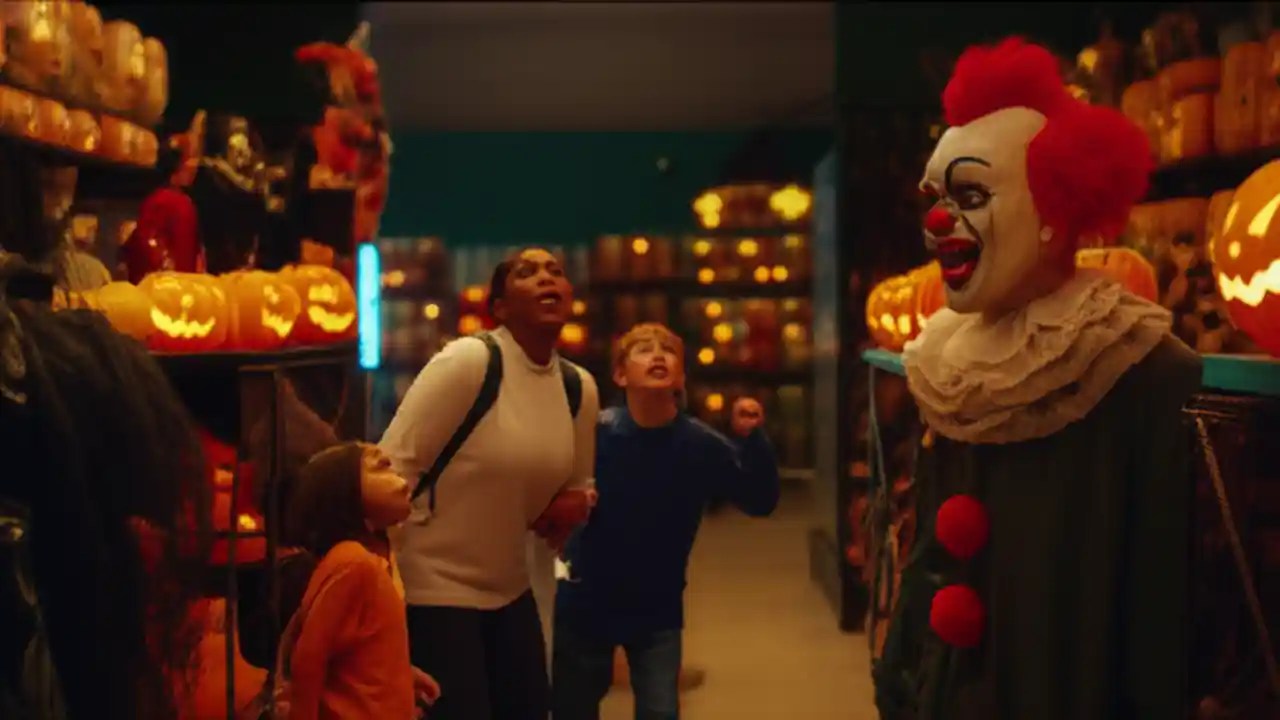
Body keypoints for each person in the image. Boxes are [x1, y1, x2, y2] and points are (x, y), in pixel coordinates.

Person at [872, 38, 1201, 720]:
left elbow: (1160, 604)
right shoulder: (949, 361)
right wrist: (906, 671)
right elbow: (932, 550)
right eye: (935, 197)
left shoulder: (1140, 368)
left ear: (1055, 208)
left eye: (970, 194)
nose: (938, 223)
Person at [380, 247, 599, 720]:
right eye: (527, 272)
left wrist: (578, 501)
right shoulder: (470, 363)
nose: (546, 279)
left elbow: (580, 484)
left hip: (510, 586)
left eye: (556, 272)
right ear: (499, 307)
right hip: (433, 584)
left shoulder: (577, 388)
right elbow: (392, 468)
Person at [552, 322, 781, 720]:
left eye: (668, 351)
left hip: (656, 608)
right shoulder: (595, 434)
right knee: (573, 707)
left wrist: (753, 439)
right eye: (643, 349)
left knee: (660, 710)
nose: (657, 355)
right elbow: (545, 490)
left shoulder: (698, 444)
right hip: (586, 600)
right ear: (621, 375)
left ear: (681, 376)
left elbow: (759, 500)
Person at [279, 442, 440, 719]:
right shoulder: (352, 562)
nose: (398, 477)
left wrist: (400, 672)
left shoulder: (370, 563)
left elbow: (354, 654)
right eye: (380, 467)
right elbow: (308, 659)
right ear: (345, 497)